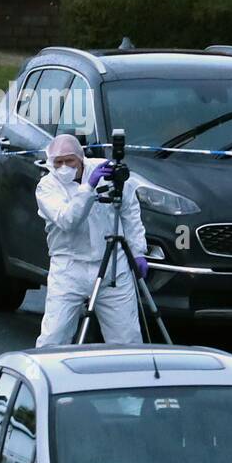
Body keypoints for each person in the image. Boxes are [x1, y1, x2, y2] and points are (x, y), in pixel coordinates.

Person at [35, 133, 149, 347]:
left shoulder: (106, 171)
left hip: (112, 268)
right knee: (54, 337)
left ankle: (129, 378)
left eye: (69, 161)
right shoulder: (46, 187)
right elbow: (68, 220)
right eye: (58, 162)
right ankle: (51, 377)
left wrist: (138, 251)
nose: (64, 167)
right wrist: (88, 187)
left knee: (127, 339)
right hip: (68, 268)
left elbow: (129, 211)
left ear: (81, 158)